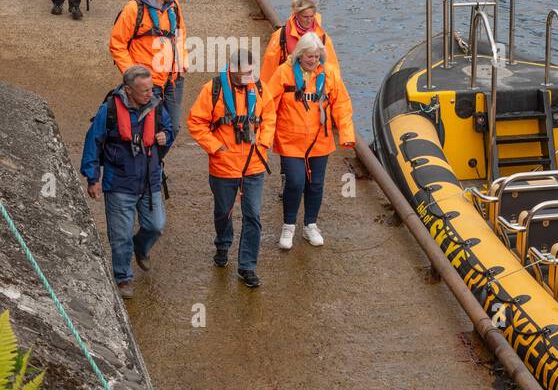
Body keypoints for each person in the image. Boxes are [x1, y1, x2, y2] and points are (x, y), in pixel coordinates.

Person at [80, 65, 172, 299]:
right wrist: (93, 179)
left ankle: (140, 248)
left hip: (150, 181)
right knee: (120, 235)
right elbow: (93, 142)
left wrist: (165, 136)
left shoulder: (157, 106)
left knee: (156, 225)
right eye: (144, 91)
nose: (150, 94)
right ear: (129, 90)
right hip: (120, 183)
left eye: (151, 89)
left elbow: (168, 129)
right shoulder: (109, 110)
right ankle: (123, 278)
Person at [187, 50, 276, 288]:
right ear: (231, 69)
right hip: (224, 165)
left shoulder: (260, 89)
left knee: (253, 215)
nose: (247, 77)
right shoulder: (212, 90)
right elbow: (195, 122)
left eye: (250, 72)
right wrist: (217, 148)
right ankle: (223, 244)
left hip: (253, 164)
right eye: (242, 73)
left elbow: (269, 117)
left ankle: (247, 266)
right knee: (223, 212)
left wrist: (264, 141)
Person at [263, 33, 355, 249]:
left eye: (316, 57)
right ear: (299, 56)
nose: (313, 61)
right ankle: (288, 226)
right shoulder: (284, 73)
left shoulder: (329, 74)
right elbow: (267, 105)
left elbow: (342, 105)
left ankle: (310, 225)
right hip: (290, 140)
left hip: (319, 141)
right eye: (309, 57)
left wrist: (347, 135)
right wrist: (264, 138)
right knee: (294, 182)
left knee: (315, 184)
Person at [108, 0, 186, 133]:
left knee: (172, 129)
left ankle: (153, 160)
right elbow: (117, 44)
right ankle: (148, 160)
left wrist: (182, 64)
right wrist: (134, 76)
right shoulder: (133, 9)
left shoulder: (174, 7)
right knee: (147, 131)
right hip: (148, 83)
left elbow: (180, 35)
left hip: (172, 80)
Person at [259, 0, 339, 83]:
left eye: (311, 16)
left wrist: (335, 85)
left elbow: (332, 66)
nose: (309, 20)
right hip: (290, 83)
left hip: (315, 85)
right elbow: (269, 66)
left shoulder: (322, 37)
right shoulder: (280, 36)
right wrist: (263, 91)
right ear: (296, 15)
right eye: (305, 17)